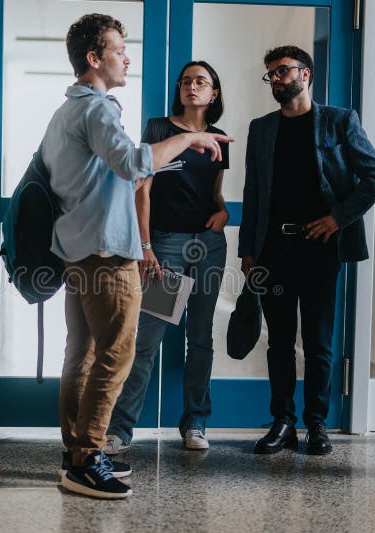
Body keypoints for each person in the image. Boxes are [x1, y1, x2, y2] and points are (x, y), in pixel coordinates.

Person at [44, 14, 231, 499]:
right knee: (117, 354)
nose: (126, 57)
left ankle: (76, 453)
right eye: (119, 49)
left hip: (79, 250)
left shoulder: (65, 111)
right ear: (94, 58)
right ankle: (86, 461)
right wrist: (189, 138)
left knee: (81, 355)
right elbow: (133, 163)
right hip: (107, 254)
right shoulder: (99, 109)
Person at [239, 45, 375, 455]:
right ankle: (283, 421)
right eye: (270, 74)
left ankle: (317, 424)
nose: (276, 79)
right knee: (280, 341)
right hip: (273, 250)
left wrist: (338, 218)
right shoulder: (262, 129)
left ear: (306, 74)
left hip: (320, 248)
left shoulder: (340, 122)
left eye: (283, 71)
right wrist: (248, 251)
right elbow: (254, 193)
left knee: (320, 340)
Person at [104, 61, 230, 454]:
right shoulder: (159, 129)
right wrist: (146, 246)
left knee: (201, 340)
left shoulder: (219, 139)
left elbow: (215, 193)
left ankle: (195, 424)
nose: (192, 87)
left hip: (208, 245)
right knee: (148, 341)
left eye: (201, 82)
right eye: (186, 81)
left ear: (214, 94)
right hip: (168, 247)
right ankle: (121, 430)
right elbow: (142, 191)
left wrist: (224, 212)